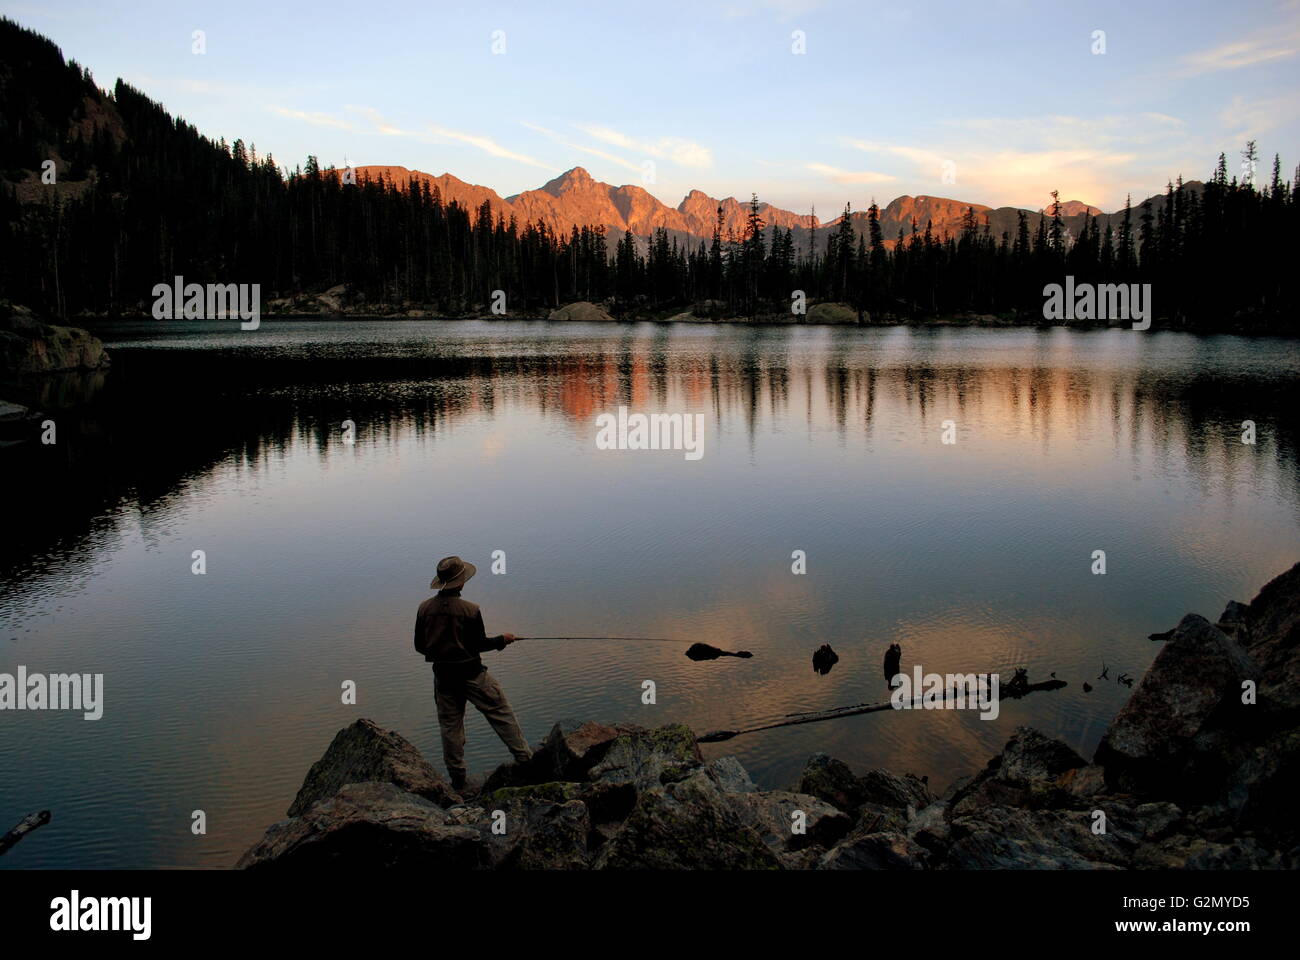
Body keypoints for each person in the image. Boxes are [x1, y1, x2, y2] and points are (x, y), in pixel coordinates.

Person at [414, 555, 532, 791]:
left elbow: (419, 646)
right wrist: (503, 640)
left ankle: (458, 779)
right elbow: (478, 644)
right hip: (472, 675)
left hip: (444, 678)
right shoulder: (470, 610)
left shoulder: (424, 608)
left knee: (450, 728)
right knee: (501, 713)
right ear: (461, 583)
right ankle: (527, 762)